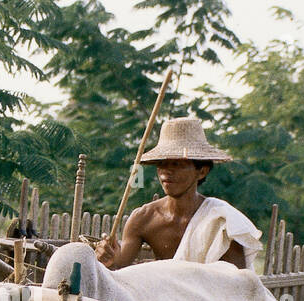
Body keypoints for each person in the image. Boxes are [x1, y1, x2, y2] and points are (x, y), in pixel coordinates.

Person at [97, 116, 263, 270]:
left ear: (202, 171)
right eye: (161, 164)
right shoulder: (143, 218)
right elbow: (118, 268)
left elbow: (237, 283)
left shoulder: (222, 223)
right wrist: (108, 258)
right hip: (162, 298)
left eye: (177, 164)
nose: (165, 173)